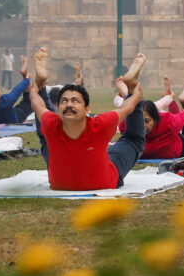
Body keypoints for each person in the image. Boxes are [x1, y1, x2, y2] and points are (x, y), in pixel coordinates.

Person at [28, 50, 150, 190]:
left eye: (74, 101)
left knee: (46, 136)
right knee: (134, 139)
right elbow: (126, 108)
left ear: (86, 109)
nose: (69, 104)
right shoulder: (100, 125)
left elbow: (37, 105)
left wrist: (38, 85)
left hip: (60, 184)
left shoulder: (52, 124)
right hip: (103, 182)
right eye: (65, 101)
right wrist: (135, 94)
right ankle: (131, 84)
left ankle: (42, 86)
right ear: (87, 110)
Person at [142, 77, 184, 159]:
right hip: (174, 141)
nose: (143, 125)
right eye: (139, 121)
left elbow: (183, 117)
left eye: (146, 121)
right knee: (182, 118)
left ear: (155, 119)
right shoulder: (130, 125)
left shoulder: (167, 122)